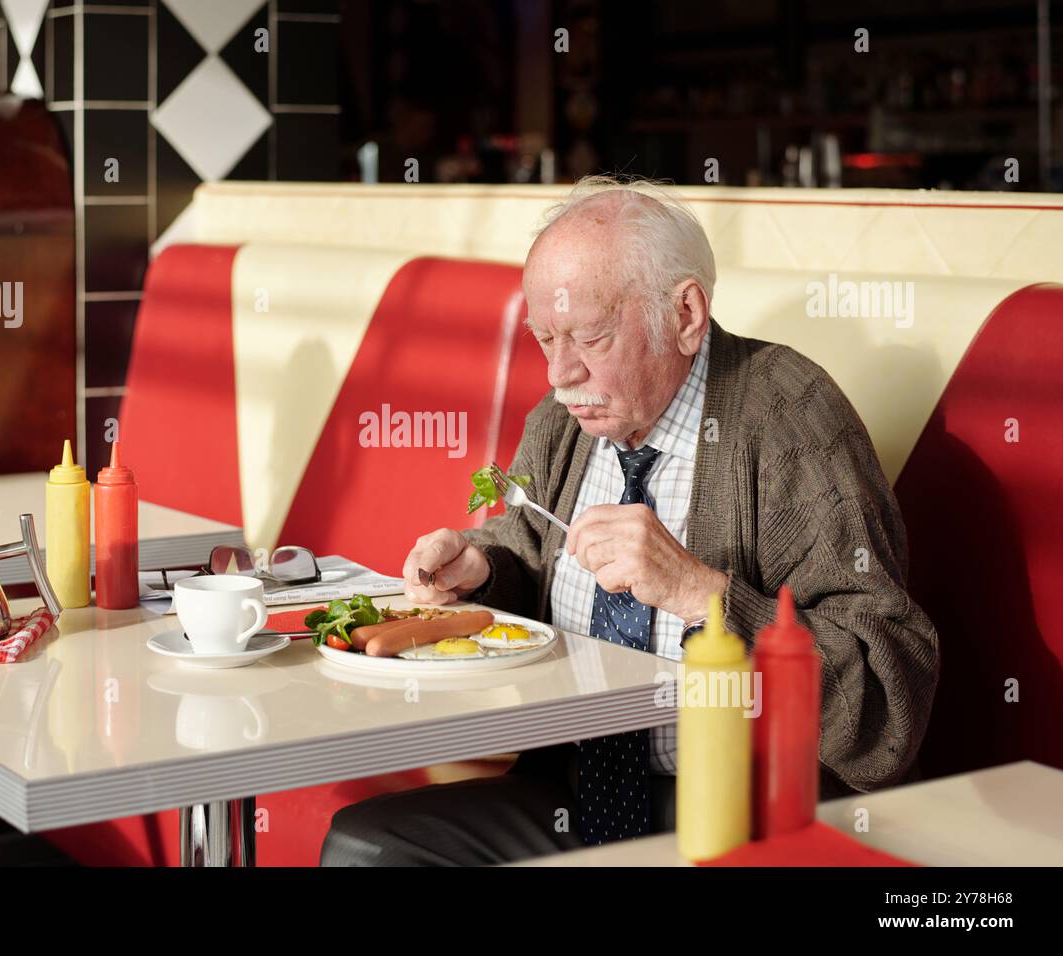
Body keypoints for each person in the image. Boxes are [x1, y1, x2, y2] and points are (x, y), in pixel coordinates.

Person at [320, 176, 939, 866]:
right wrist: (481, 571)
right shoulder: (562, 424)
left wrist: (700, 594)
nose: (560, 372)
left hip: (745, 808)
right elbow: (528, 555)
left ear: (685, 315)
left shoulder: (793, 419)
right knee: (365, 848)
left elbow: (889, 702)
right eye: (544, 338)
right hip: (572, 791)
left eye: (591, 335)